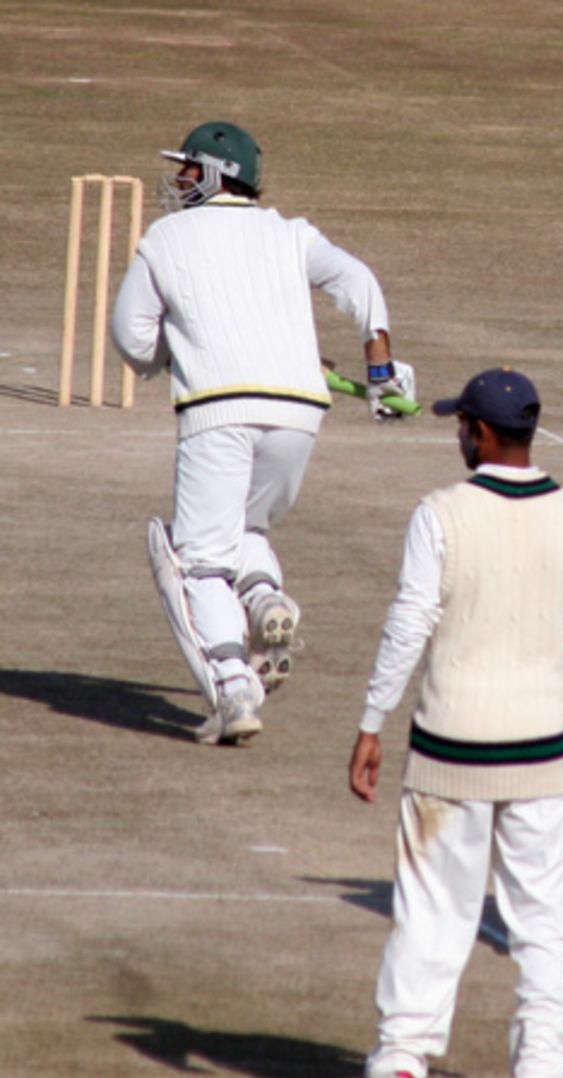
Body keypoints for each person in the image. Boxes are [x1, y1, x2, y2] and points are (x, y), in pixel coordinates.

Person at [348, 367, 563, 1078]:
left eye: (459, 425)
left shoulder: (441, 512)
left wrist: (372, 720)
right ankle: (540, 1060)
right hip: (544, 754)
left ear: (479, 432)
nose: (456, 435)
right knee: (543, 922)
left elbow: (410, 622)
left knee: (433, 911)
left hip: (453, 747)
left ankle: (404, 1056)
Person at [111, 120, 415, 745]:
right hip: (300, 411)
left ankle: (232, 686)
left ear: (218, 174)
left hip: (218, 408)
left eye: (189, 168)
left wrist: (173, 355)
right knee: (244, 529)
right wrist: (379, 369)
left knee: (195, 560)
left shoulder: (166, 236)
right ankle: (265, 599)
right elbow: (358, 281)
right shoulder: (290, 233)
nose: (179, 178)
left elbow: (130, 336)